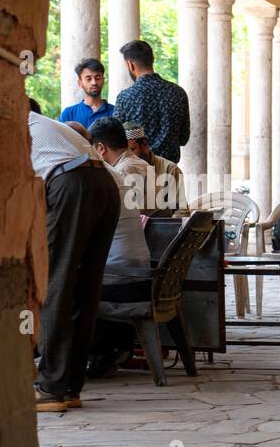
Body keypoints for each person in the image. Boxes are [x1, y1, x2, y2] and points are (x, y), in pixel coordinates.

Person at [24, 76, 120, 412]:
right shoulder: (47, 124)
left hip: (72, 185)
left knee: (56, 283)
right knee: (84, 287)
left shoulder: (12, 125)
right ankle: (68, 386)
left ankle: (51, 386)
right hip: (102, 184)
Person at [87, 116, 154, 379]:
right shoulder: (142, 165)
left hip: (130, 271)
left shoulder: (119, 173)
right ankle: (114, 348)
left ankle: (102, 349)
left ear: (100, 148)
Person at [112, 39, 190, 163]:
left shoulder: (125, 97)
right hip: (169, 171)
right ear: (151, 60)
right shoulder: (178, 93)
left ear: (130, 65)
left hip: (137, 172)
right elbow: (183, 138)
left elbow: (117, 140)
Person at [123, 122, 188, 215]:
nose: (129, 156)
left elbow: (181, 210)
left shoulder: (170, 169)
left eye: (132, 150)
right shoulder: (121, 169)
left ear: (145, 146)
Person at [58, 58, 114, 128]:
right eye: (88, 79)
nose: (94, 82)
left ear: (103, 80)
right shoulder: (68, 114)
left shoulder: (115, 112)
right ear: (80, 83)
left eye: (98, 78)